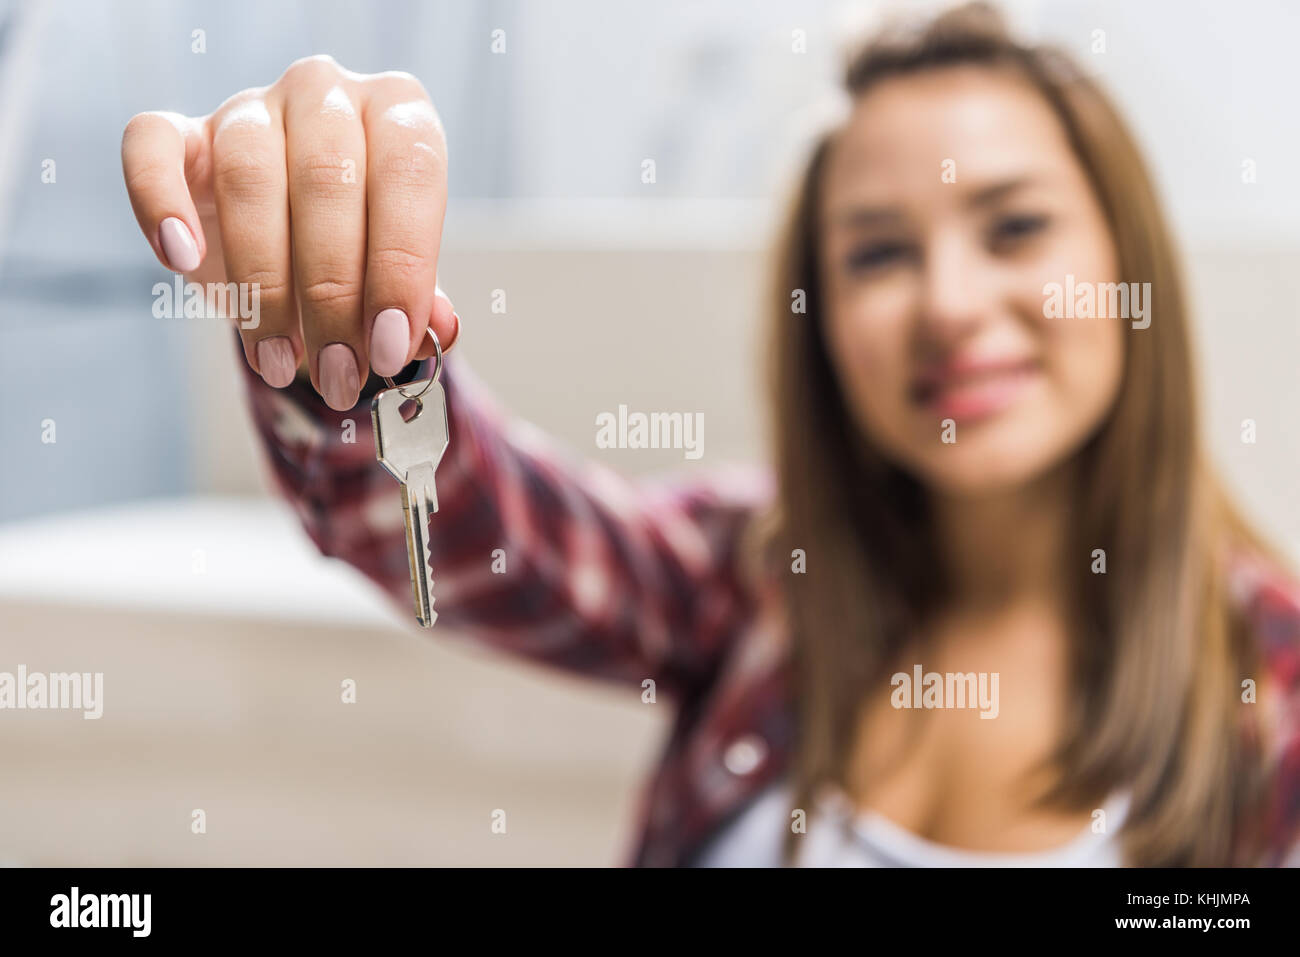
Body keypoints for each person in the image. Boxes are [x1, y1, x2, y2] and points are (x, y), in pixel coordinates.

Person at [121, 3, 1300, 866]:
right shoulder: (748, 576)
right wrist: (340, 335)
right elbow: (469, 525)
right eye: (878, 252)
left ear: (1125, 265)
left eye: (1014, 226)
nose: (947, 300)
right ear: (822, 318)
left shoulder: (1278, 686)